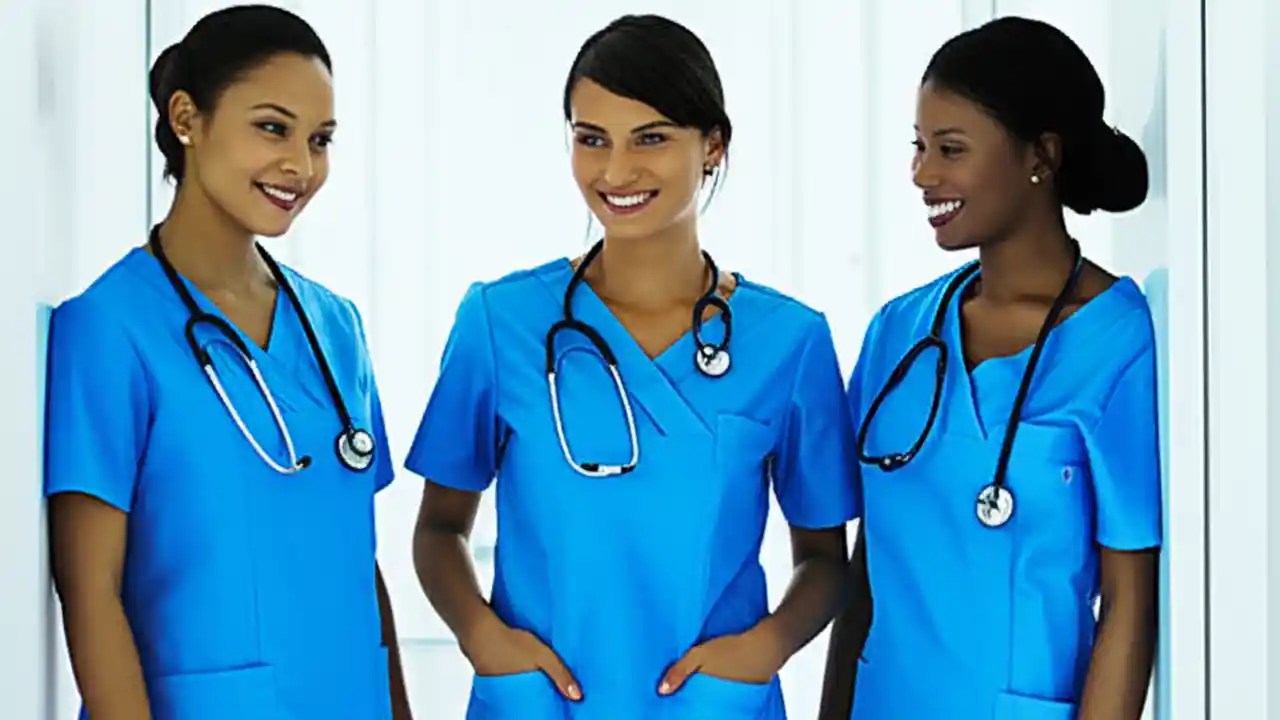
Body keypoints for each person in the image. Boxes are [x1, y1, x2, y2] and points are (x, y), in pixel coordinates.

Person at [406, 14, 857, 719]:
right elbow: (438, 530)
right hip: (539, 701)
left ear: (712, 146)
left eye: (650, 138)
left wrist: (765, 648)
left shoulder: (789, 342)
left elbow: (826, 561)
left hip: (710, 704)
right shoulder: (502, 323)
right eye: (592, 139)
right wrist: (480, 636)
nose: (616, 171)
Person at [44, 6, 410, 718]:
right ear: (187, 118)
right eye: (272, 128)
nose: (301, 166)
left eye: (321, 140)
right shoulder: (108, 328)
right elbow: (89, 591)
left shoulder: (336, 327)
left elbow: (355, 567)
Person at [819, 16, 1161, 720]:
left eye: (950, 149)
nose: (921, 174)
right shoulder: (898, 332)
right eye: (918, 147)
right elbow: (866, 570)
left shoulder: (1115, 342)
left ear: (1041, 155)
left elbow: (1130, 600)